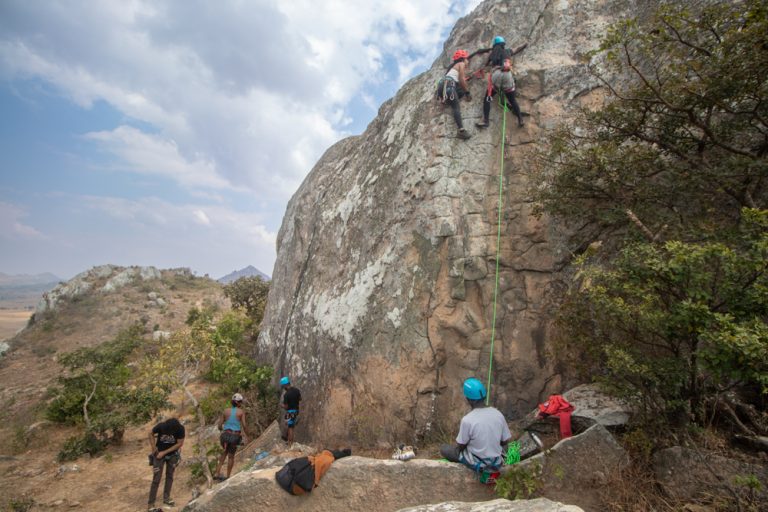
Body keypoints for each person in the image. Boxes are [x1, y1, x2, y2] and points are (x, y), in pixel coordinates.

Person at [440, 378, 511, 475]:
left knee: (444, 448)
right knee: (504, 447)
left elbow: (461, 446)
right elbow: (505, 441)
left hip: (479, 463)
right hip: (496, 462)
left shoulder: (467, 420)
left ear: (468, 399)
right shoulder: (498, 413)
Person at [475, 36, 527, 128]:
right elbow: (518, 49)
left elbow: (486, 64)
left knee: (487, 98)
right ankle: (520, 119)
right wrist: (525, 44)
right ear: (503, 44)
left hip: (496, 75)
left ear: (494, 45)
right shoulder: (508, 51)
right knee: (512, 99)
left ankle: (486, 121)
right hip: (507, 74)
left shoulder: (493, 53)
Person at [147, 417, 185, 512]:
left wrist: (164, 452)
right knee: (156, 479)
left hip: (172, 455)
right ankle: (150, 505)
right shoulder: (161, 426)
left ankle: (166, 499)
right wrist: (153, 447)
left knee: (170, 476)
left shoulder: (180, 429)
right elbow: (150, 433)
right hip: (158, 454)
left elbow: (179, 444)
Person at [436, 49, 473, 140]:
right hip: (449, 86)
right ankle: (461, 131)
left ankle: (448, 100)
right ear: (463, 59)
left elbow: (457, 80)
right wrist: (467, 93)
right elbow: (461, 79)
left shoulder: (453, 68)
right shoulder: (461, 64)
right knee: (456, 107)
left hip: (442, 87)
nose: (467, 61)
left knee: (458, 94)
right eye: (467, 59)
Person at [214, 392, 249, 481]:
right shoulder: (241, 412)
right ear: (238, 402)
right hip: (235, 436)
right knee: (231, 456)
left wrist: (223, 430)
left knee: (224, 452)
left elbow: (219, 425)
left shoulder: (225, 411)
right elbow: (244, 426)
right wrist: (247, 435)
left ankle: (217, 473)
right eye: (240, 402)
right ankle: (228, 476)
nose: (241, 403)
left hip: (225, 435)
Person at [280, 376, 302, 445]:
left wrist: (282, 405)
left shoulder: (286, 395)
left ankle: (290, 443)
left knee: (290, 427)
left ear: (284, 385)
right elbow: (300, 399)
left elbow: (286, 407)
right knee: (290, 426)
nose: (283, 388)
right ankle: (288, 440)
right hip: (296, 410)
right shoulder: (297, 390)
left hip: (290, 412)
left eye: (283, 386)